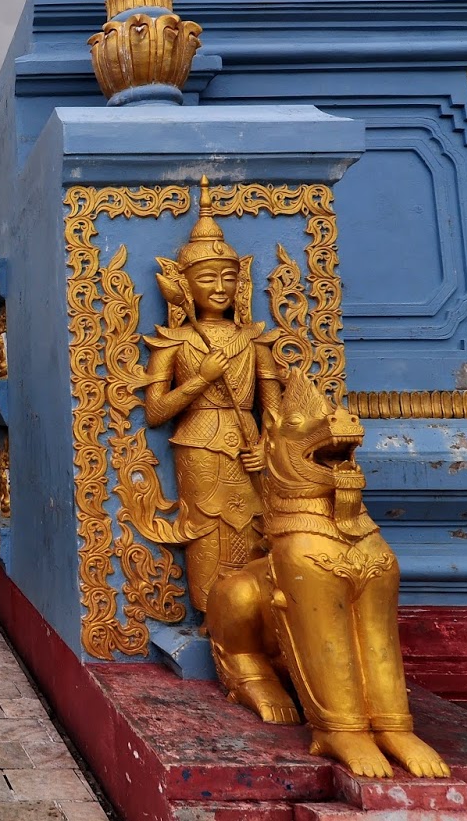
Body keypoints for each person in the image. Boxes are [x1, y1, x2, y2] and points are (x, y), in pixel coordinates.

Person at [142, 182, 280, 613]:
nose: (219, 287)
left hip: (246, 445)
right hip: (198, 446)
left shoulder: (254, 339)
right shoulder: (174, 340)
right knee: (207, 529)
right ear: (183, 286)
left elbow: (274, 409)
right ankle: (212, 615)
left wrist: (265, 444)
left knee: (253, 527)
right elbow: (155, 412)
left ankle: (253, 612)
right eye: (206, 278)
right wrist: (201, 380)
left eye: (228, 277)